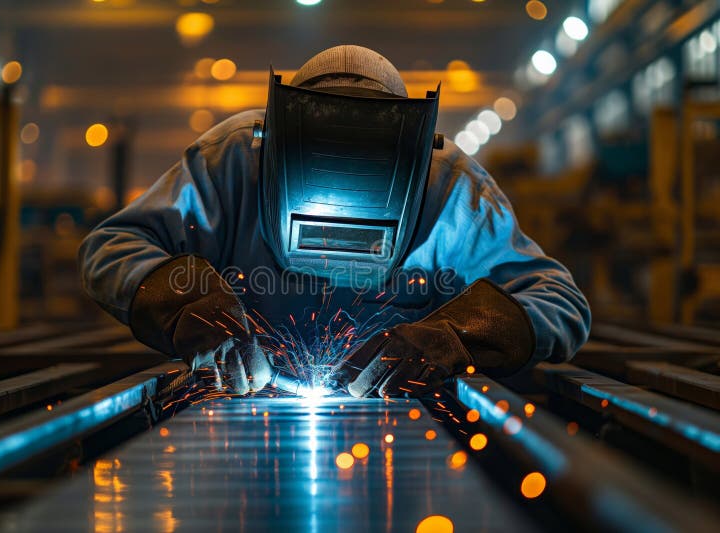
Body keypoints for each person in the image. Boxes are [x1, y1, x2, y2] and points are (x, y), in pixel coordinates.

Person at [78, 45, 591, 398]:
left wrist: (453, 335)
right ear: (273, 158)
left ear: (411, 174)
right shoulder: (234, 160)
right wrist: (190, 310)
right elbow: (113, 246)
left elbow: (558, 302)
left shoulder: (450, 189)